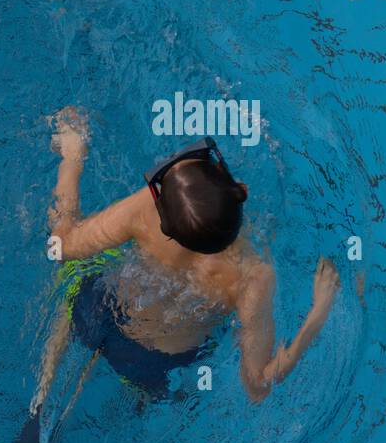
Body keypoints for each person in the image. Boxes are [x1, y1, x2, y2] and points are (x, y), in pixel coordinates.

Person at [33, 108, 340, 413]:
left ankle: (44, 388)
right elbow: (257, 384)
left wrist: (72, 157)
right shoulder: (253, 277)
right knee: (161, 390)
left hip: (95, 310)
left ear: (164, 218)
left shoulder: (146, 212)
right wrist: (318, 313)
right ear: (241, 189)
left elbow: (61, 246)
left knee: (85, 270)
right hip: (148, 363)